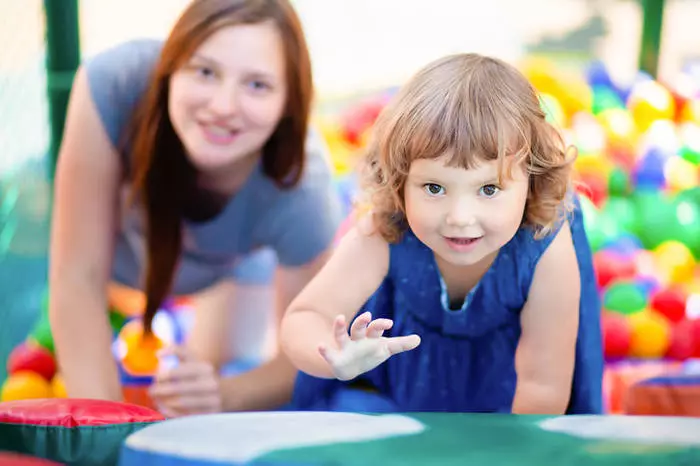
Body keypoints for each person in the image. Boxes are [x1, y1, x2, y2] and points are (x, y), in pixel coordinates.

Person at [49, 0, 341, 417]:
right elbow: (77, 277)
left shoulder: (301, 188)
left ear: (289, 103)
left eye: (257, 85)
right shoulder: (115, 83)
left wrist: (224, 394)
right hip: (125, 264)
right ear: (170, 70)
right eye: (205, 71)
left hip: (231, 271)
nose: (223, 106)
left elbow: (310, 352)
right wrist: (107, 435)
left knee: (198, 395)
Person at [280, 53, 604, 414]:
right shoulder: (388, 229)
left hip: (506, 414)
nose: (460, 218)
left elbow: (542, 385)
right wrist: (334, 357)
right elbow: (305, 318)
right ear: (400, 180)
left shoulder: (545, 247)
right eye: (434, 188)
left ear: (532, 182)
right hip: (395, 401)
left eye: (489, 189)